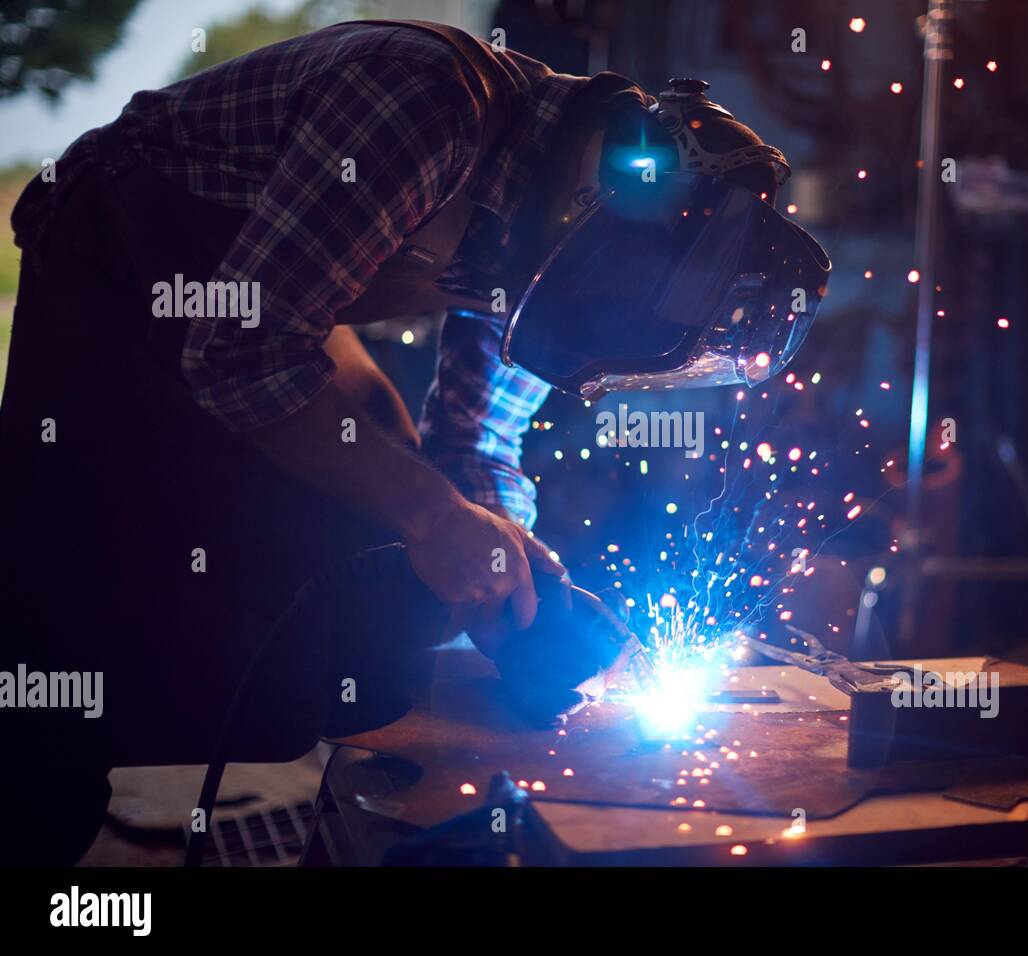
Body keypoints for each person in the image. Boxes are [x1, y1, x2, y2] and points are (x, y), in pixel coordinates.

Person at [0, 19, 827, 863]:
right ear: (613, 189)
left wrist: (516, 575)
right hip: (124, 267)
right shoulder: (425, 100)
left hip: (263, 298)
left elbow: (476, 439)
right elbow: (243, 344)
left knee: (376, 540)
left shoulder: (549, 245)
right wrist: (435, 518)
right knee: (67, 629)